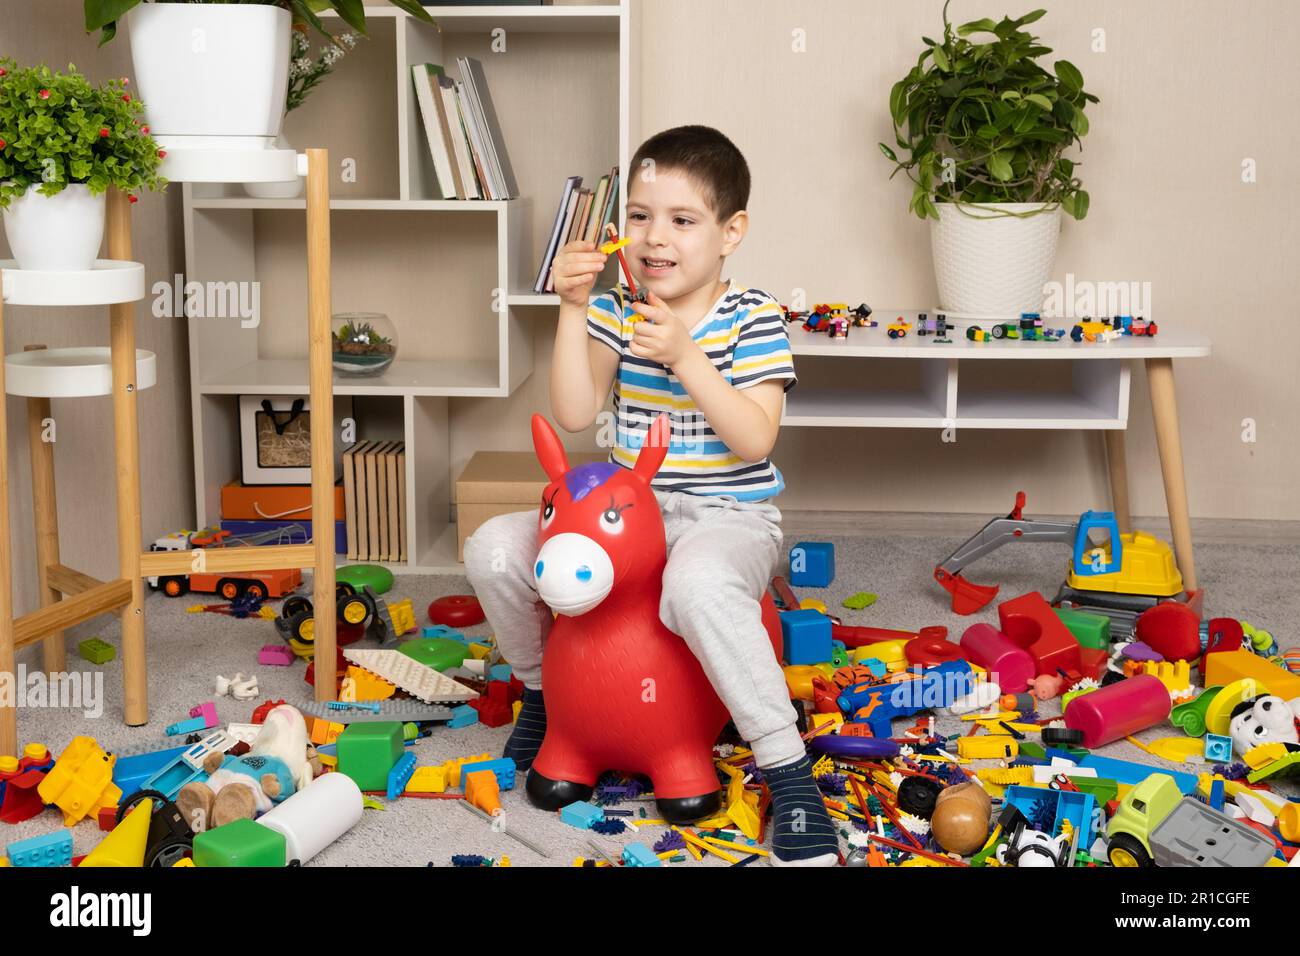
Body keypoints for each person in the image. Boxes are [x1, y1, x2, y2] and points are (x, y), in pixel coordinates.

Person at [465, 125, 838, 865]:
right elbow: (574, 412)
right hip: (617, 524)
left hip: (726, 518)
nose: (654, 238)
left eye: (681, 220)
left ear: (732, 232)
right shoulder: (614, 310)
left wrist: (688, 358)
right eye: (638, 216)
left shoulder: (753, 317)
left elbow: (755, 438)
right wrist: (572, 309)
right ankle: (545, 692)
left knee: (696, 583)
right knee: (494, 550)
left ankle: (787, 768)